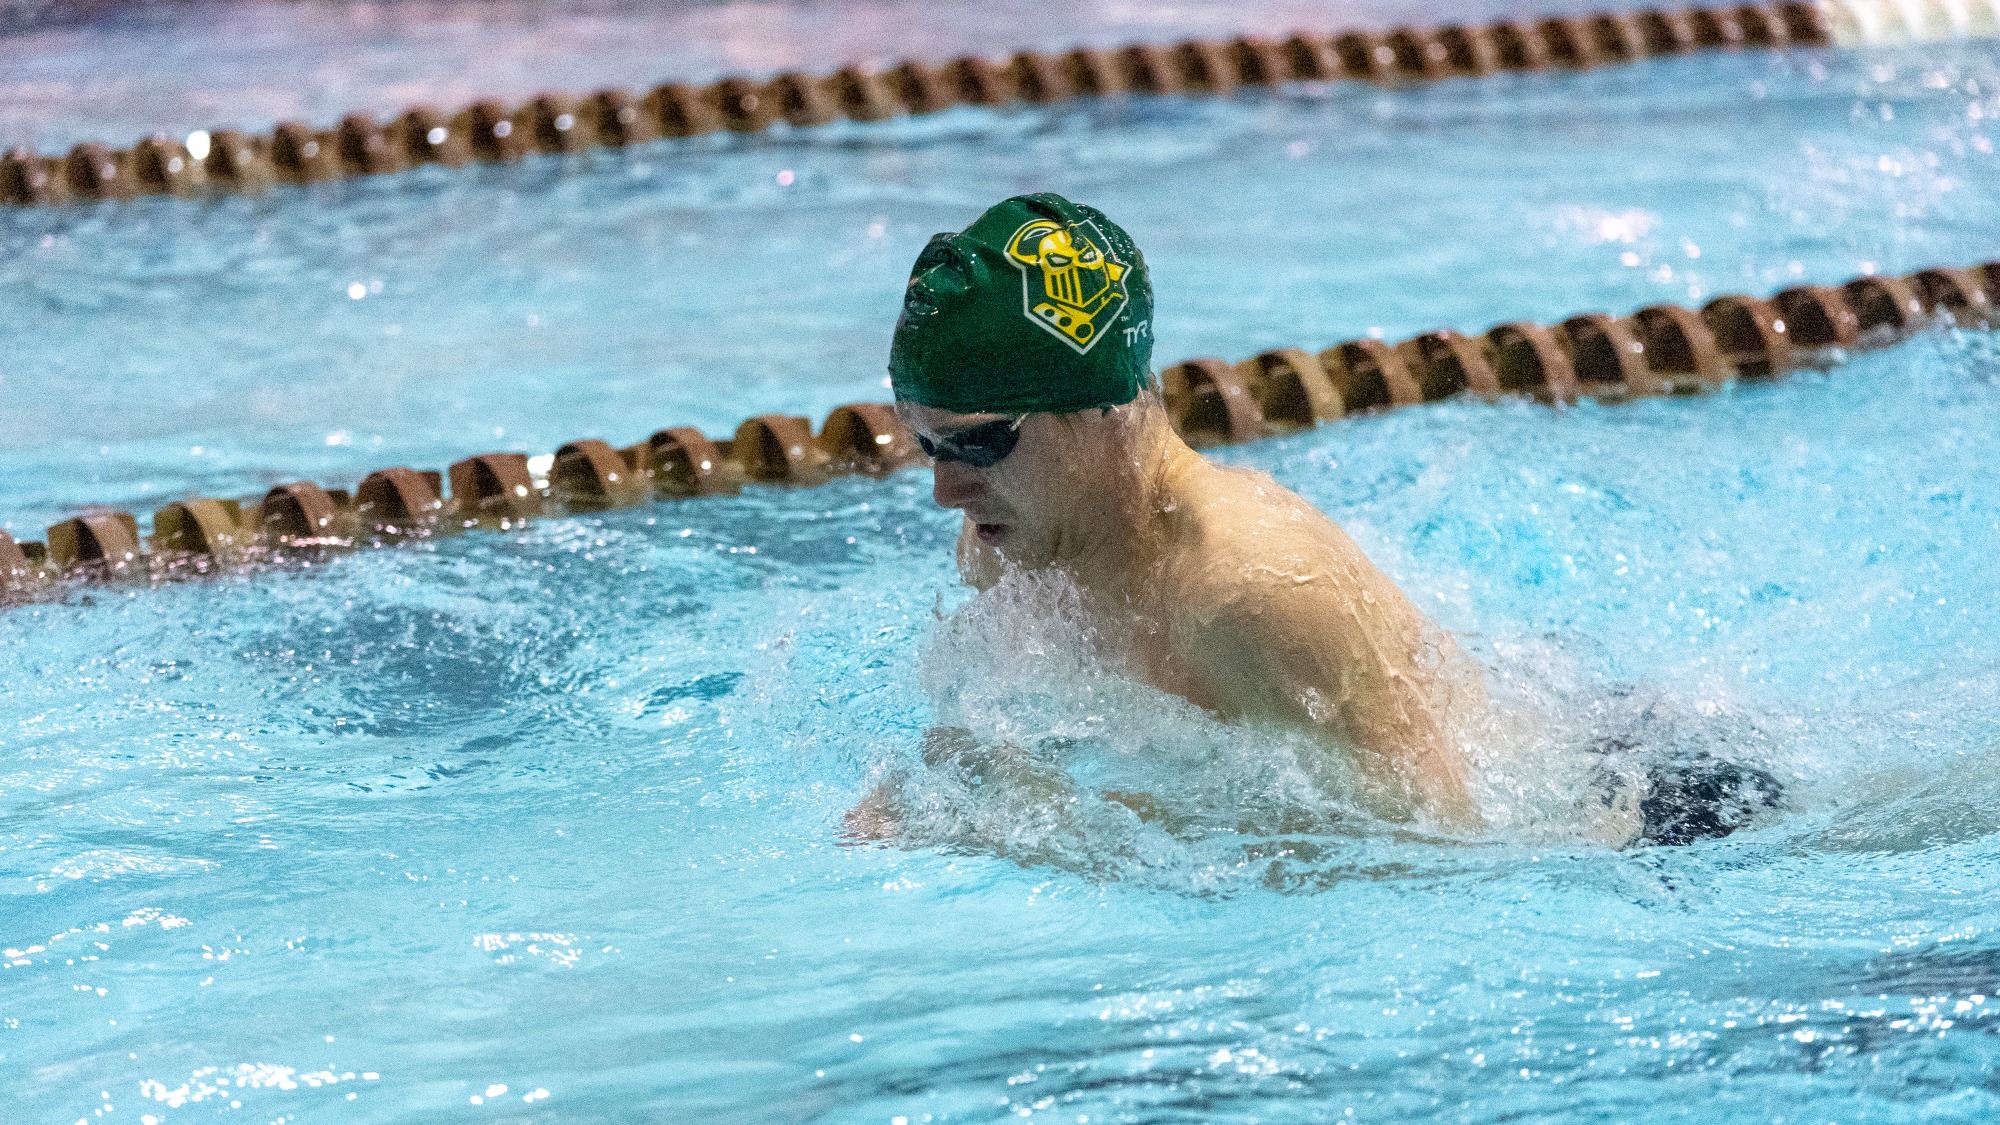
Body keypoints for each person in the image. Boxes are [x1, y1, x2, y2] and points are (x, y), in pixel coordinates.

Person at [852, 192, 1779, 844]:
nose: (946, 492)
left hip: (1635, 812)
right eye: (925, 446)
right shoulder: (1010, 542)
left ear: (1096, 408)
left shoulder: (1252, 591)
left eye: (977, 446)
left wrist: (1047, 829)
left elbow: (1450, 856)